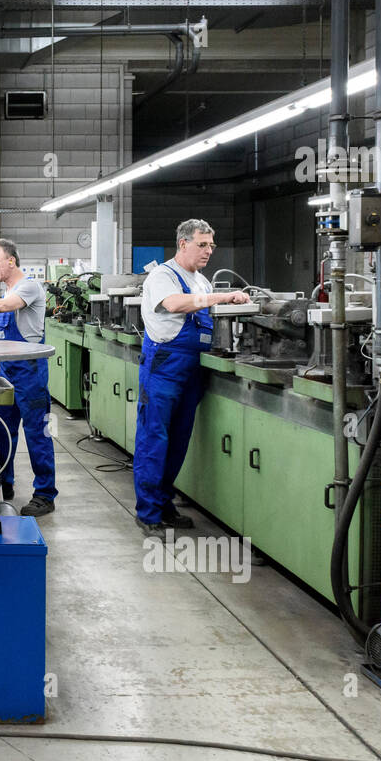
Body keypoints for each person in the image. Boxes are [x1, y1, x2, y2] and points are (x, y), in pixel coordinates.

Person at [133, 219, 249, 532]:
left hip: (193, 367)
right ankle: (148, 511)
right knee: (153, 437)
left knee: (179, 439)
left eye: (211, 245)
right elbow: (173, 304)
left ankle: (164, 503)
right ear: (183, 244)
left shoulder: (202, 281)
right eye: (202, 244)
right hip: (164, 366)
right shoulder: (163, 276)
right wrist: (223, 297)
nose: (209, 251)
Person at [0, 238, 57, 518]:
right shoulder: (8, 289)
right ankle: (5, 481)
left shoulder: (28, 287)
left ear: (11, 260)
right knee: (1, 429)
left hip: (30, 373)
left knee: (38, 432)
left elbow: (3, 307)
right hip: (9, 371)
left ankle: (45, 494)